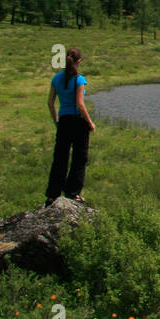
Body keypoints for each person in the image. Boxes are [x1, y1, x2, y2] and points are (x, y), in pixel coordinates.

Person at [46, 47, 96, 205]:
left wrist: (56, 121)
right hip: (78, 121)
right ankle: (72, 192)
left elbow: (50, 103)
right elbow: (80, 104)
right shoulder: (79, 79)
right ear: (79, 61)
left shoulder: (56, 78)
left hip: (64, 121)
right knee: (79, 158)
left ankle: (53, 193)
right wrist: (90, 122)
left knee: (60, 157)